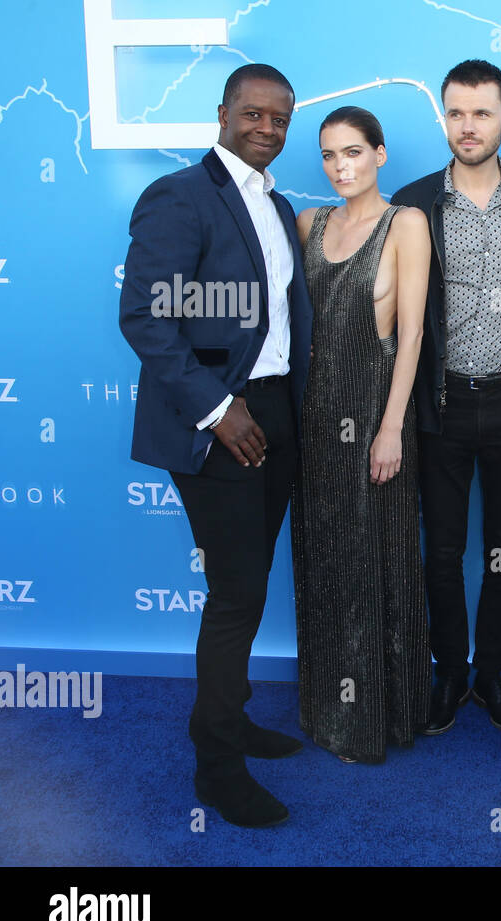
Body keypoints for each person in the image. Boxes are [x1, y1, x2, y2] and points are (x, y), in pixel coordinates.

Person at [119, 64, 312, 828]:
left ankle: (227, 718)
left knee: (250, 582)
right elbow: (146, 319)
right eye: (254, 114)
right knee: (236, 597)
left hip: (276, 417)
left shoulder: (277, 201)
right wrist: (217, 407)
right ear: (223, 112)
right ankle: (217, 767)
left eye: (280, 119)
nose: (267, 128)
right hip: (219, 423)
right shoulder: (180, 196)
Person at [391, 60, 501, 734]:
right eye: (456, 113)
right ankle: (448, 670)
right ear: (444, 119)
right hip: (442, 403)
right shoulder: (414, 200)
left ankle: (490, 673)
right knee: (443, 548)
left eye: (482, 113)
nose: (468, 125)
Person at [291, 107, 431, 763]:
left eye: (353, 152)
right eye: (328, 155)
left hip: (374, 411)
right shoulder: (308, 224)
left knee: (375, 560)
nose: (341, 167)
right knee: (325, 562)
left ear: (379, 153)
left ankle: (379, 715)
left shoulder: (406, 223)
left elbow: (412, 335)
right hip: (316, 417)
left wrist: (392, 427)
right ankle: (327, 706)